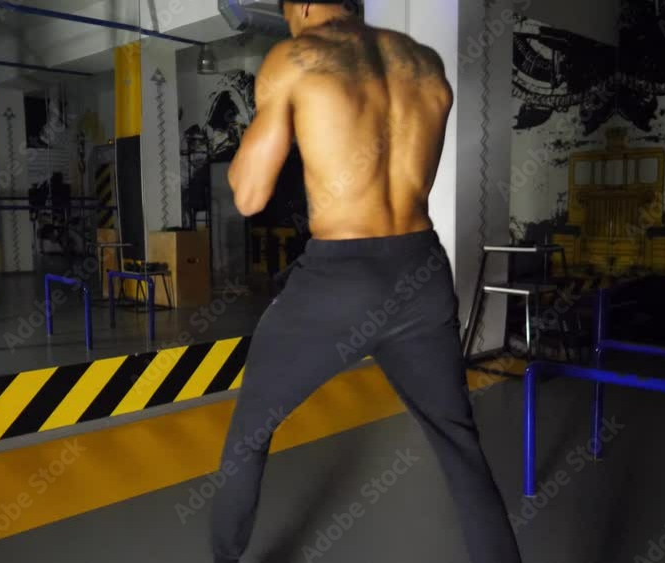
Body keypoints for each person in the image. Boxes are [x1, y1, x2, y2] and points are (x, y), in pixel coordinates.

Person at [210, 1, 524, 562]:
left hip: (338, 276)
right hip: (421, 267)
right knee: (459, 443)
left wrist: (254, 131)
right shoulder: (424, 64)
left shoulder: (295, 57)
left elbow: (249, 196)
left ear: (302, 7)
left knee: (249, 433)